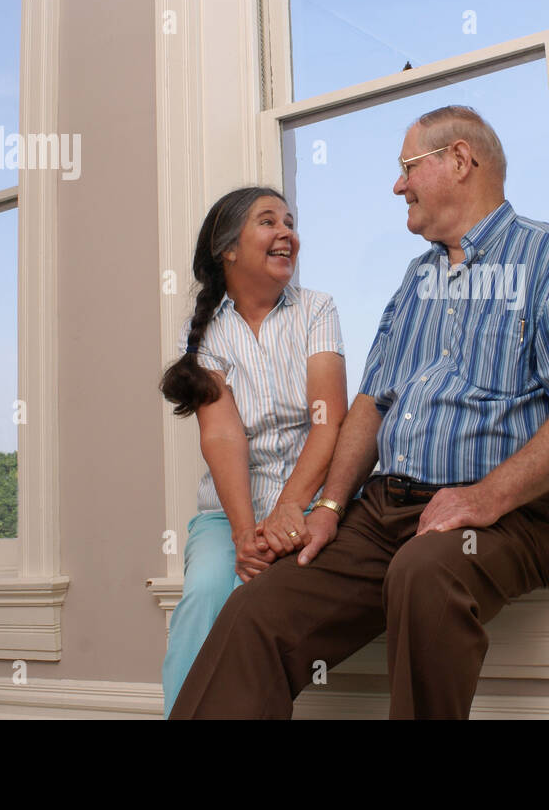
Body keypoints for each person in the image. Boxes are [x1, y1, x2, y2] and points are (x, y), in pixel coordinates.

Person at [169, 106, 549, 720]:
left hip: (512, 515)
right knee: (258, 608)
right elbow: (369, 405)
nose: (398, 186)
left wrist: (485, 497)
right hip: (384, 510)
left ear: (460, 161)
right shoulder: (416, 280)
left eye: (407, 168)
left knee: (423, 574)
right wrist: (332, 507)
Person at [158, 186, 346, 718]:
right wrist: (245, 536)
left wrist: (289, 509)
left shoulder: (316, 309)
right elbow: (222, 437)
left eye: (289, 222)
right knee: (204, 599)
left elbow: (328, 421)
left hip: (308, 504)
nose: (287, 232)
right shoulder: (205, 334)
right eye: (269, 222)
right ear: (229, 250)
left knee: (263, 611)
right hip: (228, 514)